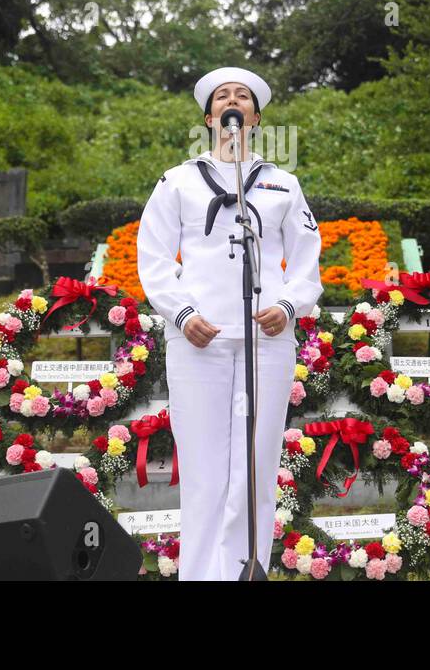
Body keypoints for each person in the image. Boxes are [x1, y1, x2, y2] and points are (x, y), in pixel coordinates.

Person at [136, 66, 323, 580]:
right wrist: (181, 312)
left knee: (256, 468)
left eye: (243, 96)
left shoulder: (284, 184)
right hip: (199, 341)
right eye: (223, 96)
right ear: (208, 116)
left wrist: (288, 307)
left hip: (268, 340)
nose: (233, 102)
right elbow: (152, 256)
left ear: (256, 117)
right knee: (203, 470)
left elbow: (307, 261)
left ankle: (246, 571)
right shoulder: (177, 181)